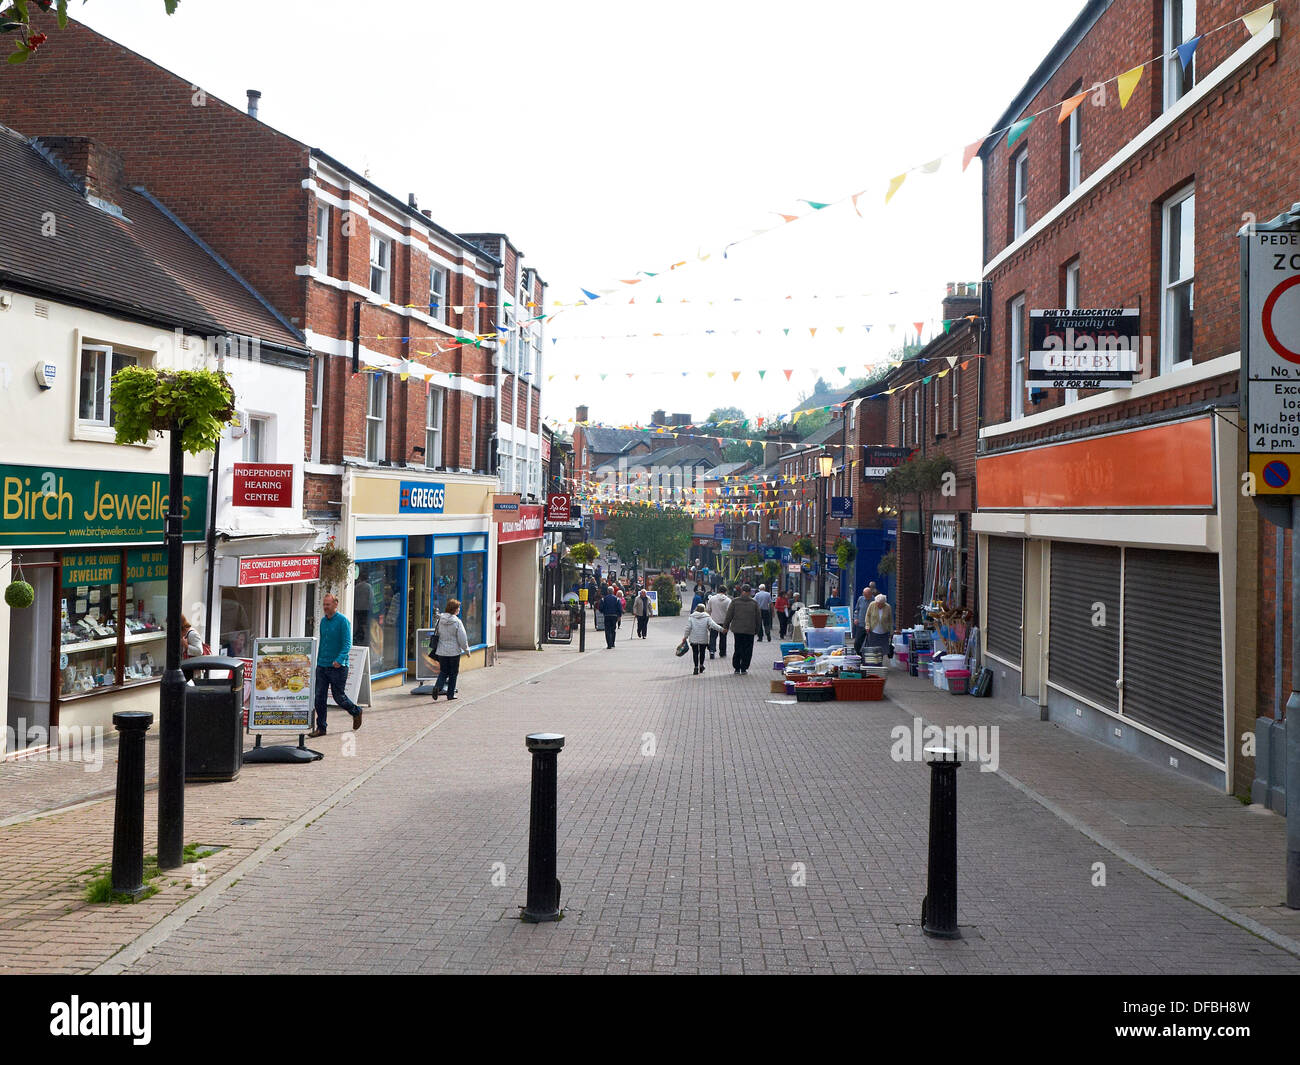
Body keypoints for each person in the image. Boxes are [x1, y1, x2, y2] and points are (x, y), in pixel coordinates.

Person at [310, 593, 362, 736]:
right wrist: (318, 661)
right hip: (322, 665)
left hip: (338, 667)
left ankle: (356, 711)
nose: (325, 607)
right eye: (324, 605)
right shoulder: (323, 621)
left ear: (335, 604)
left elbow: (347, 643)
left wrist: (339, 660)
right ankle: (321, 728)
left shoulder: (343, 621)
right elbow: (323, 644)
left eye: (328, 604)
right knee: (319, 697)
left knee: (339, 697)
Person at [430, 597, 471, 701]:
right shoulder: (457, 622)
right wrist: (467, 650)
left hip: (441, 651)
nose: (459, 610)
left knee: (443, 671)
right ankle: (450, 694)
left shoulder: (440, 620)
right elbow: (462, 638)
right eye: (458, 608)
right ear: (454, 609)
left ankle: (437, 687)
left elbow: (437, 633)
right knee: (453, 673)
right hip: (453, 652)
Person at [723, 584, 762, 675]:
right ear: (749, 592)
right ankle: (744, 668)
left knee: (738, 648)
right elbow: (758, 618)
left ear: (741, 591)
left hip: (737, 630)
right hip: (749, 630)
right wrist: (757, 629)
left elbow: (729, 615)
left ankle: (736, 668)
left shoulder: (735, 602)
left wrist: (726, 626)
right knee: (748, 649)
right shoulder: (754, 603)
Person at [683, 602, 724, 675]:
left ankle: (696, 667)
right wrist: (722, 629)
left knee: (695, 653)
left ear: (696, 609)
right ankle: (701, 666)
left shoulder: (691, 617)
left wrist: (685, 637)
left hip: (694, 638)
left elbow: (688, 628)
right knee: (702, 652)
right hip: (703, 638)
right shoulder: (707, 617)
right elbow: (713, 625)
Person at [706, 585, 732, 660]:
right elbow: (729, 612)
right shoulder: (728, 600)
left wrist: (708, 620)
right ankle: (722, 652)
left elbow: (708, 610)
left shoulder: (712, 599)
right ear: (725, 592)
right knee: (723, 638)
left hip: (713, 621)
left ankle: (712, 651)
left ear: (718, 590)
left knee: (713, 637)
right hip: (724, 622)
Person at [599, 584, 622, 649]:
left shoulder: (604, 599)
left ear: (607, 591)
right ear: (613, 591)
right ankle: (612, 643)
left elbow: (600, 608)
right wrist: (619, 615)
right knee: (613, 629)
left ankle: (609, 644)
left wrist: (603, 612)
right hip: (614, 616)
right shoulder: (617, 599)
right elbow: (619, 608)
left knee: (607, 630)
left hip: (607, 616)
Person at [852, 585, 873, 656]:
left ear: (870, 594)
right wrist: (855, 618)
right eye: (864, 594)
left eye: (866, 595)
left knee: (869, 643)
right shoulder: (860, 599)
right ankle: (859, 654)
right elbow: (856, 610)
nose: (865, 596)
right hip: (860, 624)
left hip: (870, 625)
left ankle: (867, 657)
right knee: (857, 642)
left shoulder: (874, 601)